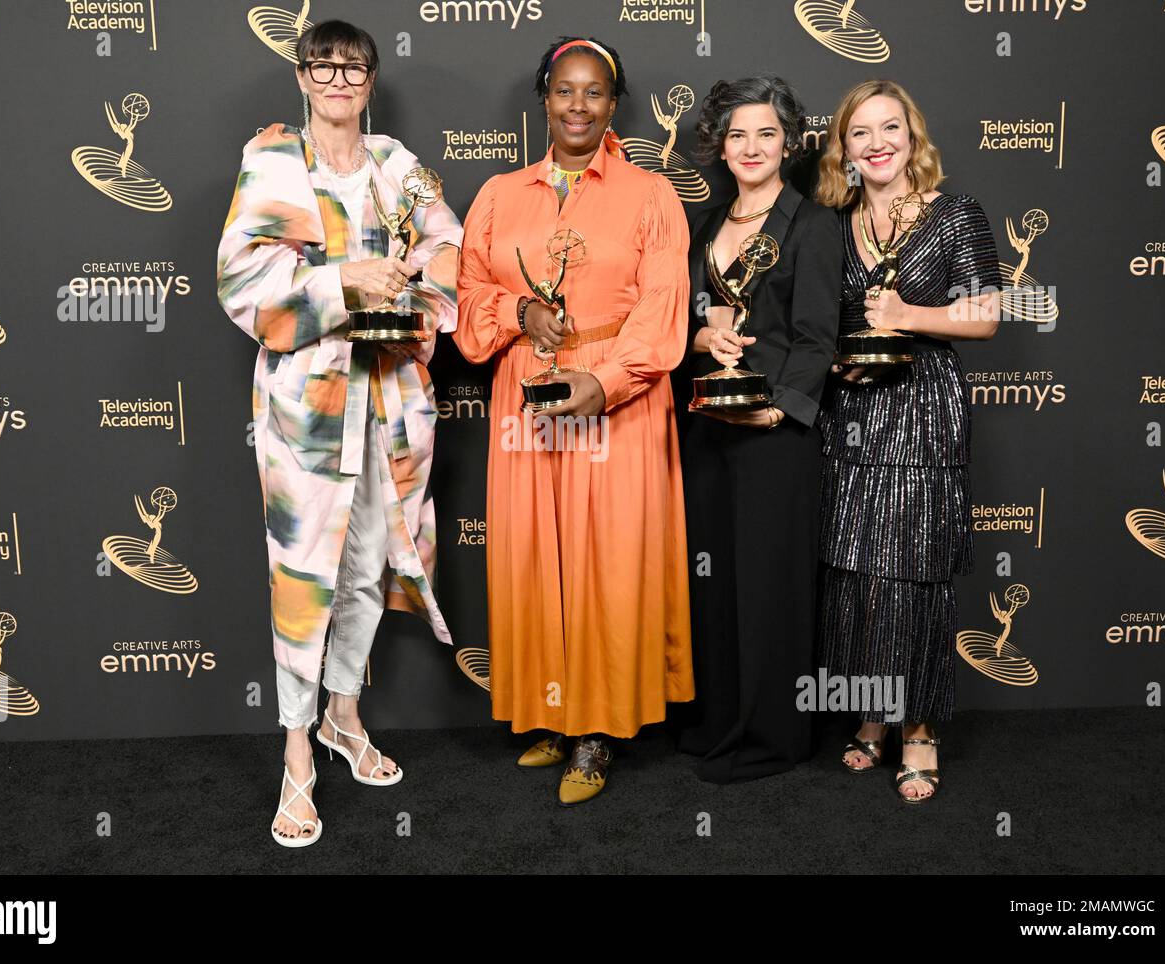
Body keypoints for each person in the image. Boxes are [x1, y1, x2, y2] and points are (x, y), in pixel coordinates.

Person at [215, 20, 462, 845]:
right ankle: (296, 755)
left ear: (371, 79)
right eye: (322, 65)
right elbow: (241, 279)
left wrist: (413, 299)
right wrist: (343, 279)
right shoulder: (274, 164)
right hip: (306, 410)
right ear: (301, 78)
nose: (337, 79)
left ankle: (344, 717)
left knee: (364, 569)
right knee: (302, 580)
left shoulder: (396, 166)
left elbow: (451, 250)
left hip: (388, 401)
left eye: (352, 67)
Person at [455, 36, 694, 806]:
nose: (578, 106)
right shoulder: (498, 194)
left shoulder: (651, 194)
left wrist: (607, 380)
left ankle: (597, 731)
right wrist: (515, 310)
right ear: (544, 97)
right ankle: (551, 715)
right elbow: (464, 310)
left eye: (594, 93)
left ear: (614, 104)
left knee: (607, 561)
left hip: (616, 403)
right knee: (536, 555)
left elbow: (663, 312)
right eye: (565, 91)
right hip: (525, 394)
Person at [815, 79, 1000, 804]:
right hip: (851, 413)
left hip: (923, 410)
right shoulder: (834, 224)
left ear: (913, 138)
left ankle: (919, 729)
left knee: (915, 571)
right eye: (860, 132)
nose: (877, 142)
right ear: (844, 149)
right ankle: (871, 715)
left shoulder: (956, 214)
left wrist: (907, 313)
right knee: (855, 570)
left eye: (890, 127)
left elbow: (986, 316)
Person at [673, 76, 841, 783]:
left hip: (776, 432)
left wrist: (782, 407)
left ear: (789, 142)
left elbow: (815, 337)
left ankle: (773, 735)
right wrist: (702, 341)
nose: (750, 147)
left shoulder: (812, 224)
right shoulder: (707, 226)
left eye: (766, 133)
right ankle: (720, 722)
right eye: (737, 134)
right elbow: (687, 326)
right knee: (714, 582)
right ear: (719, 144)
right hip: (711, 426)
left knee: (771, 585)